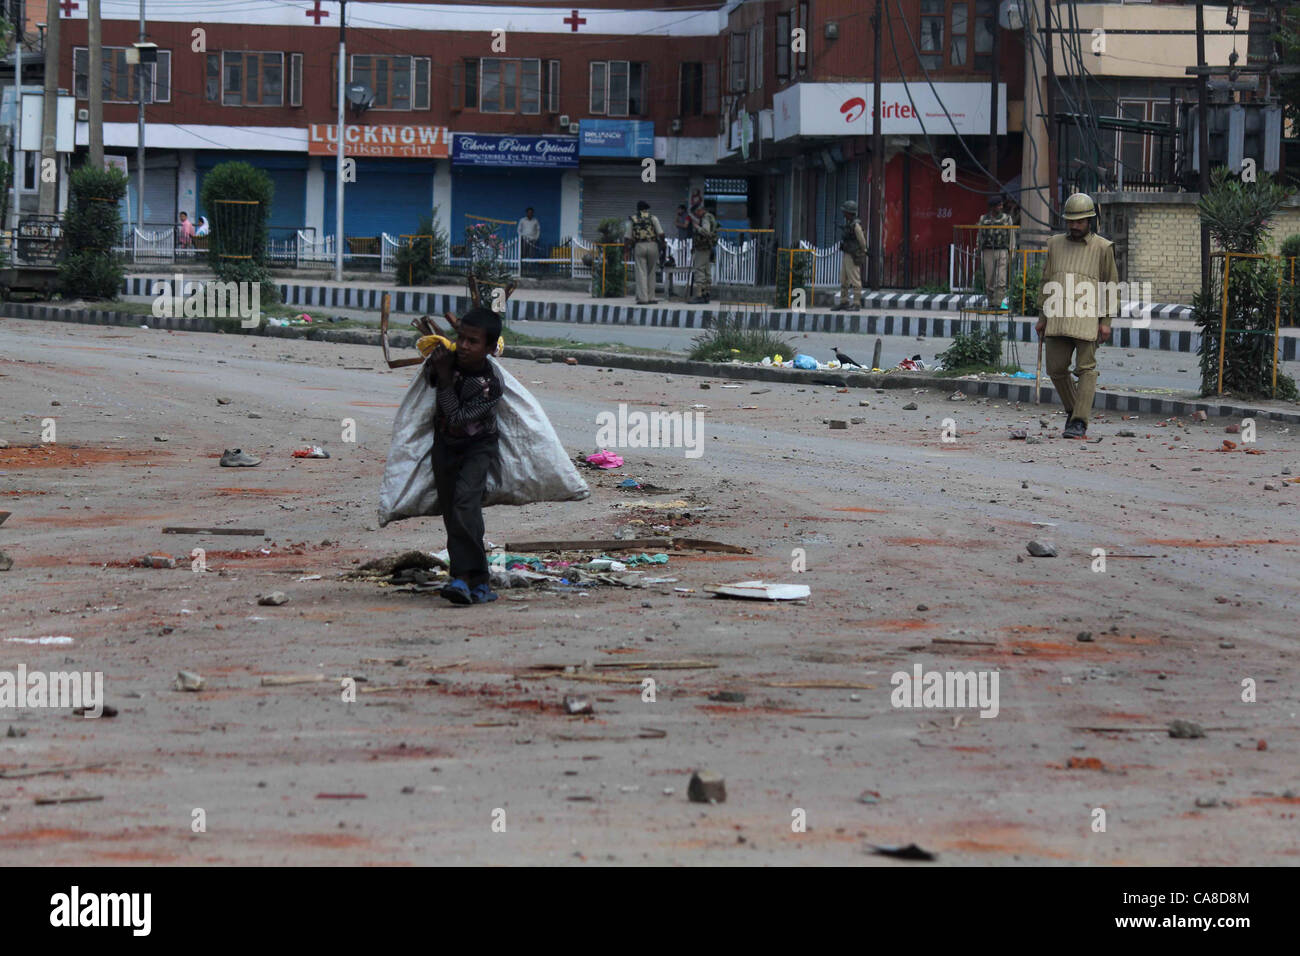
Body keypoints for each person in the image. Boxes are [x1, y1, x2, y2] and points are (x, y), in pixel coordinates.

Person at [425, 306, 505, 604]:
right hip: (445, 446)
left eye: (473, 342)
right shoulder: (450, 361)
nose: (464, 346)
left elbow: (458, 417)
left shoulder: (490, 384)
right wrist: (436, 366)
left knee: (464, 504)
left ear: (489, 348)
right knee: (453, 513)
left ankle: (476, 577)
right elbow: (428, 380)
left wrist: (445, 377)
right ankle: (463, 578)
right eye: (461, 338)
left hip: (477, 447)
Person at [1035, 192, 1118, 441]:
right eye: (1071, 221)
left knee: (1086, 370)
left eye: (1080, 221)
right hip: (1057, 316)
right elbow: (1046, 281)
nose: (1074, 225)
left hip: (1087, 317)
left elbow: (1110, 285)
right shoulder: (1054, 244)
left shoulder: (1103, 247)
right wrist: (1042, 316)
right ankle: (1074, 411)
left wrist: (1106, 322)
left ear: (1090, 221)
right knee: (1056, 369)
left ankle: (1079, 422)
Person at [977, 195, 1014, 310]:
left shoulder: (1007, 219)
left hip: (1002, 250)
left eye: (1001, 205)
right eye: (999, 205)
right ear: (993, 207)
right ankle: (991, 303)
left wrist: (1011, 252)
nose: (1001, 207)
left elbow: (1011, 236)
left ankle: (998, 303)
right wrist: (978, 250)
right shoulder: (984, 219)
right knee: (989, 280)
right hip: (988, 251)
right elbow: (980, 235)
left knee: (1001, 279)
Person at [624, 200, 665, 305]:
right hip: (653, 245)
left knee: (641, 272)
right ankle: (651, 297)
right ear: (647, 209)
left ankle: (643, 298)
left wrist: (626, 251)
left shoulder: (633, 220)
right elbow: (661, 233)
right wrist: (663, 244)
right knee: (652, 272)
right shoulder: (653, 218)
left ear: (638, 209)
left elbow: (627, 238)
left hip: (639, 246)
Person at [687, 199, 719, 304]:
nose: (697, 215)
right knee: (706, 271)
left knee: (699, 270)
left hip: (702, 248)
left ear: (700, 210)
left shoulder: (705, 218)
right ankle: (706, 294)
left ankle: (699, 295)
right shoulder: (710, 217)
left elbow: (706, 232)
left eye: (696, 213)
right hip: (707, 248)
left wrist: (697, 227)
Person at [837, 200, 866, 310]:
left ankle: (856, 303)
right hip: (847, 253)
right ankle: (844, 301)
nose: (844, 213)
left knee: (855, 279)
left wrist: (862, 251)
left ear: (850, 212)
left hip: (853, 254)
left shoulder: (856, 225)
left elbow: (862, 241)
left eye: (845, 211)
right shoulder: (849, 224)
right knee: (843, 279)